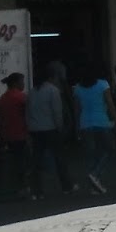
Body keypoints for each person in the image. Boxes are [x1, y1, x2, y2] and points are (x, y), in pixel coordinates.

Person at [28, 66, 79, 198]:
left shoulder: (32, 92)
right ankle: (67, 186)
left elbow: (28, 112)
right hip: (51, 129)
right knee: (59, 159)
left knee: (36, 161)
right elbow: (57, 112)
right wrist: (60, 127)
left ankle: (37, 191)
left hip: (35, 130)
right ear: (51, 78)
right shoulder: (53, 91)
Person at [72, 62, 116, 194]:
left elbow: (77, 110)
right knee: (110, 150)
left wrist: (76, 128)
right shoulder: (103, 84)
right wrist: (115, 119)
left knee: (91, 154)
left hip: (85, 124)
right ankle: (95, 174)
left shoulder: (77, 89)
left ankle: (94, 184)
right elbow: (110, 104)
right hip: (102, 122)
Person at [0, 72, 29, 198]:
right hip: (20, 134)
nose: (23, 84)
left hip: (7, 135)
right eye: (22, 82)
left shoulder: (2, 99)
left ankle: (12, 187)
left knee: (12, 163)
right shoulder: (21, 97)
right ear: (16, 83)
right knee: (22, 163)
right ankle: (22, 187)